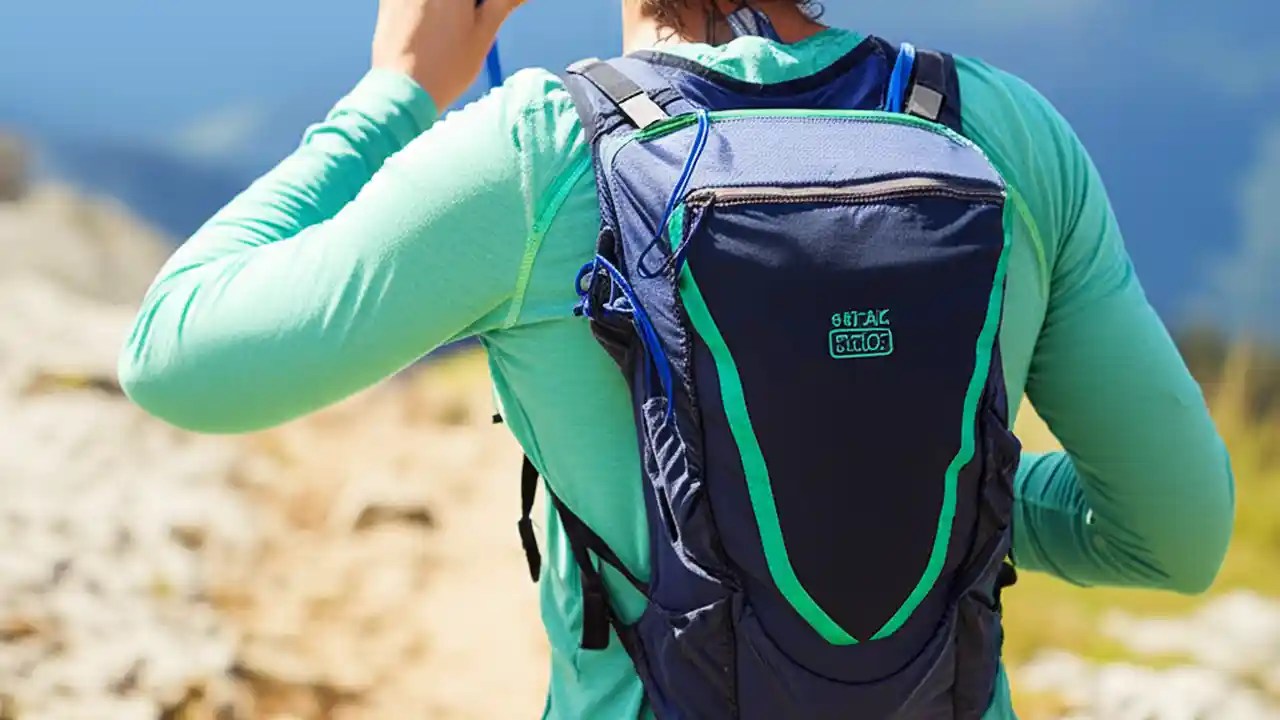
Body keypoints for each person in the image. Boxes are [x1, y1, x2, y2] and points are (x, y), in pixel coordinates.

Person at [118, 0, 1235, 717]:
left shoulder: (538, 151)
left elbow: (178, 352)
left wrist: (394, 92)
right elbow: (1171, 537)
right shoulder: (1003, 131)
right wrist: (923, 484)